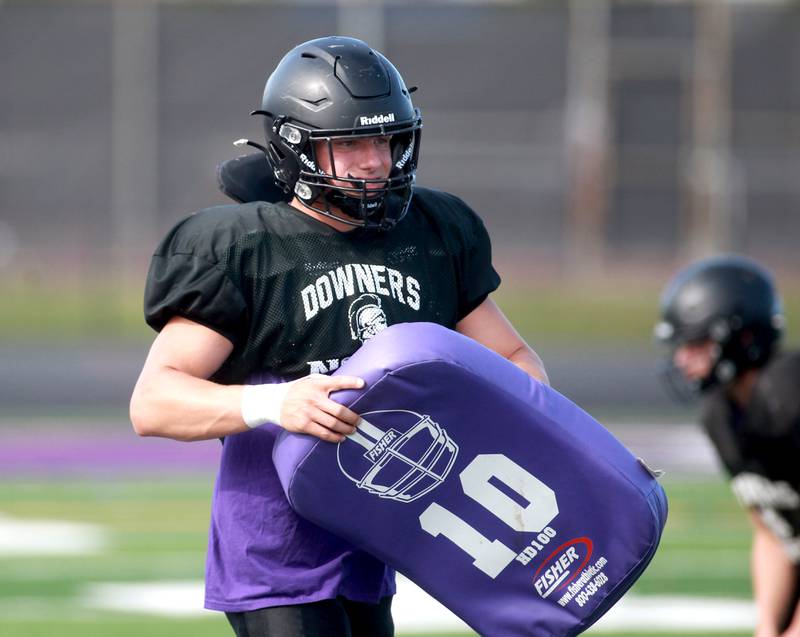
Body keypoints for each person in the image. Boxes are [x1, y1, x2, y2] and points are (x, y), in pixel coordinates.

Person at [130, 35, 548, 637]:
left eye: (384, 139)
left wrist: (482, 411)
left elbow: (515, 360)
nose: (375, 161)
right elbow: (154, 403)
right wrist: (276, 401)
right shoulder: (245, 247)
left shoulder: (432, 232)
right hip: (276, 558)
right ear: (295, 148)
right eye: (350, 143)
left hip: (377, 544)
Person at [655, 254, 800, 637]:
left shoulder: (790, 393)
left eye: (696, 343)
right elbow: (771, 531)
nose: (683, 358)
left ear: (742, 336)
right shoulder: (721, 416)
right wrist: (768, 624)